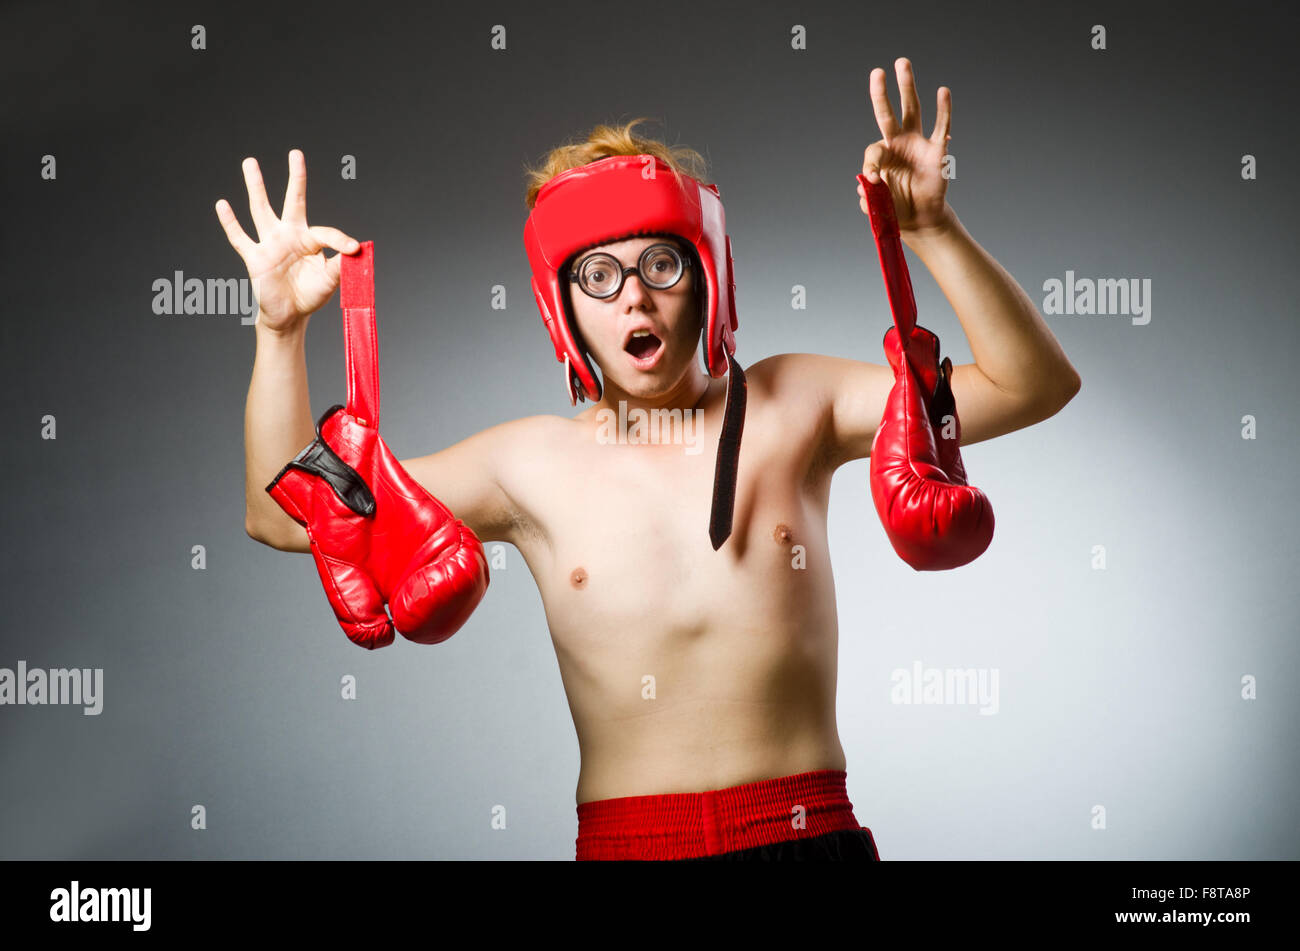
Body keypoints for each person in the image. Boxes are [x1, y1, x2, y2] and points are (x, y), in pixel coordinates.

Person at [222, 58, 1080, 861]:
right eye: (598, 275)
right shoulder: (526, 463)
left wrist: (933, 228)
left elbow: (1030, 383)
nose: (633, 294)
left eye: (659, 263)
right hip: (628, 846)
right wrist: (280, 329)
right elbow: (280, 514)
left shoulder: (798, 403)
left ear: (705, 278)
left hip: (805, 834)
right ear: (564, 309)